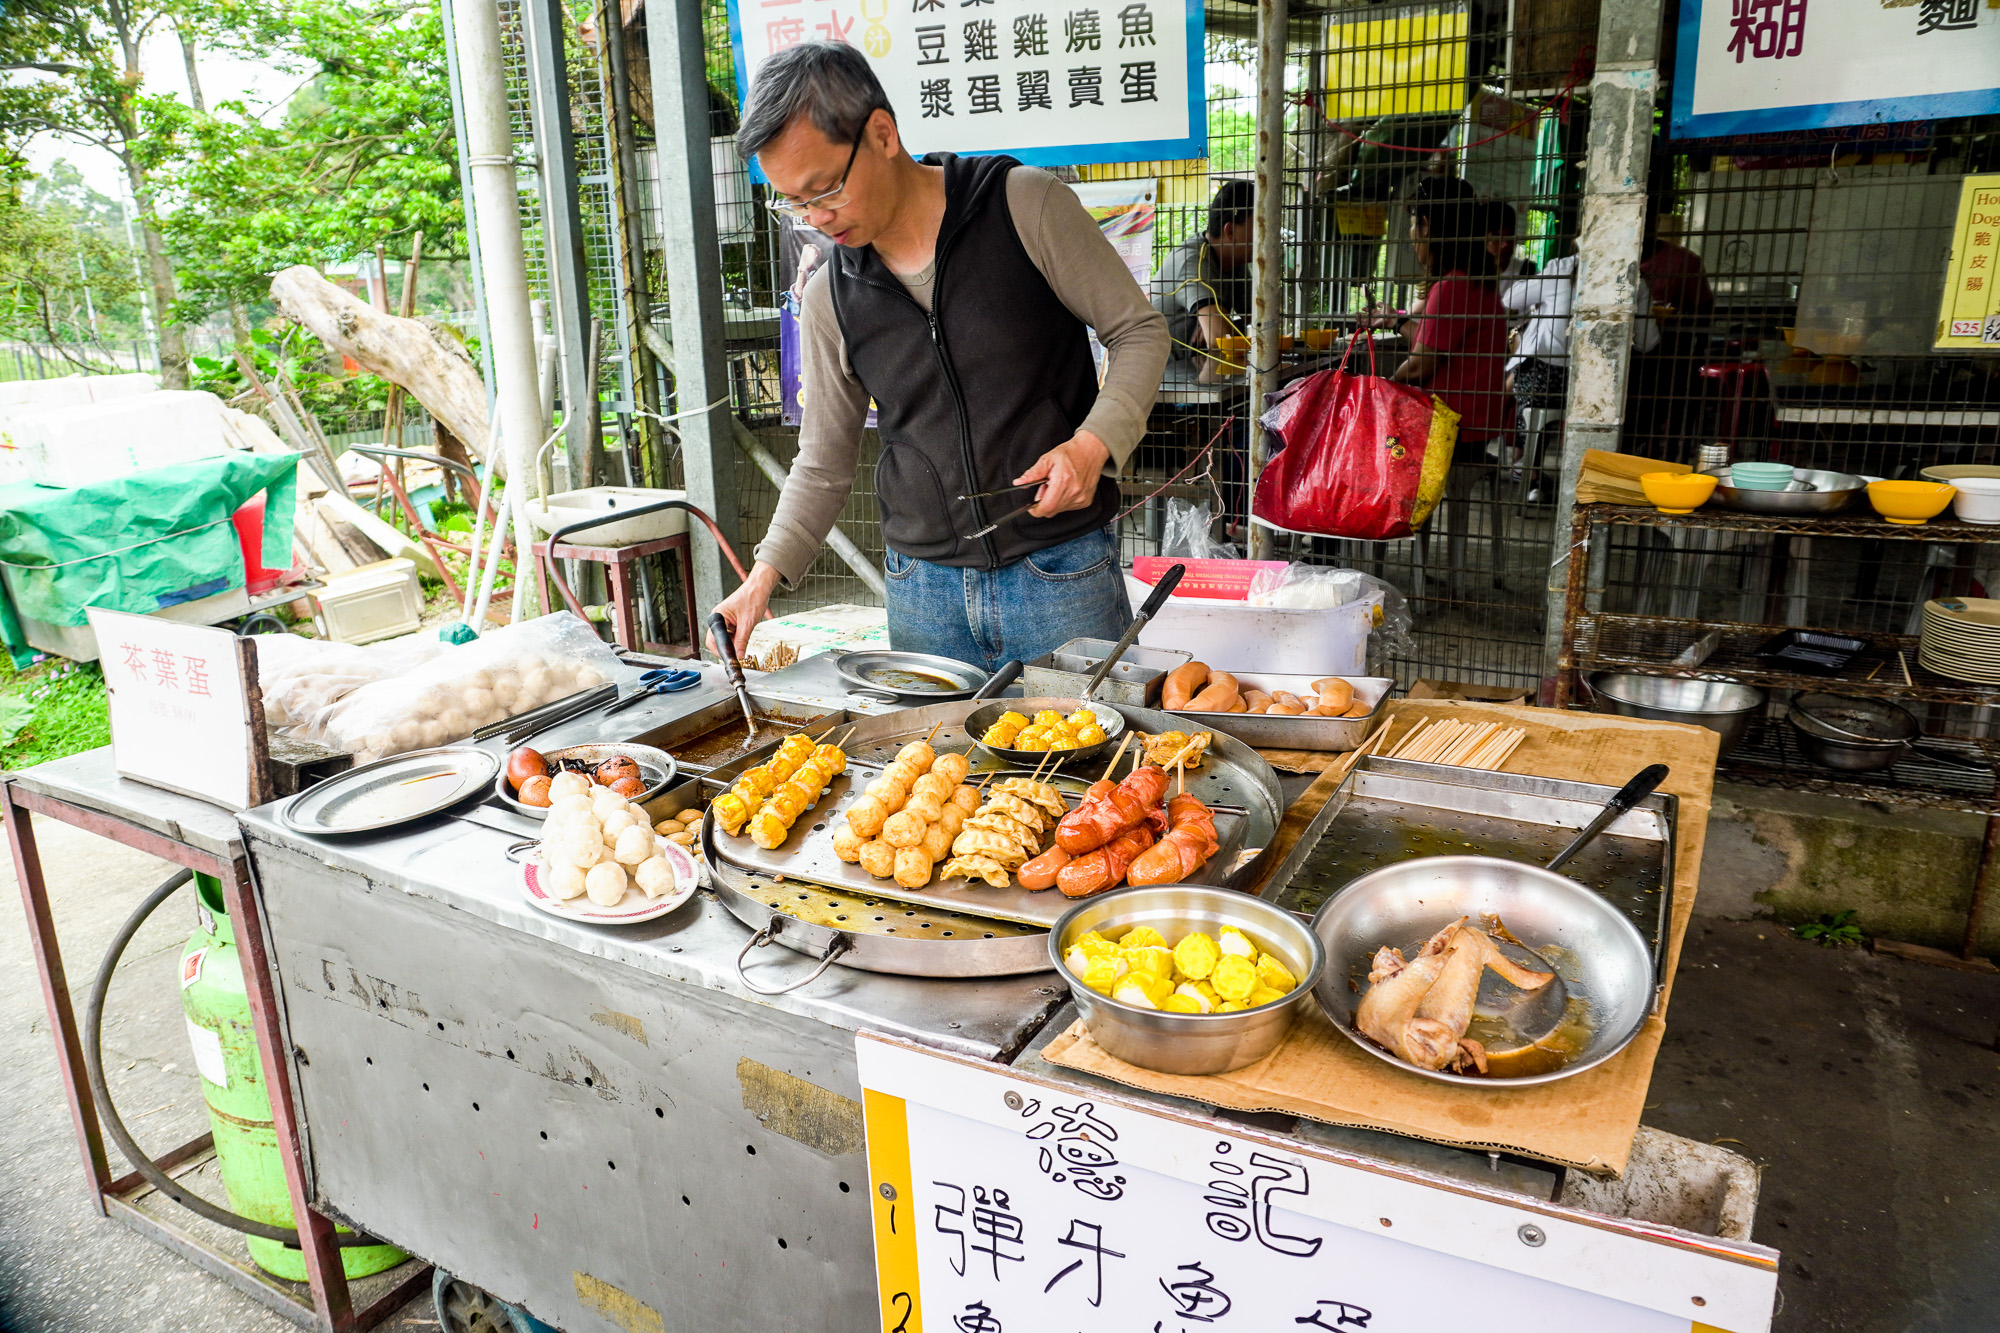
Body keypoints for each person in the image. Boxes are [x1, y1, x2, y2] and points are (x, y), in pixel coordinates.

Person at [711, 43, 1169, 671]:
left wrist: (1093, 445)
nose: (817, 219)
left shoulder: (1021, 206)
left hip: (1060, 571)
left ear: (882, 133)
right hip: (922, 595)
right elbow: (822, 462)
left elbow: (1139, 332)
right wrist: (763, 578)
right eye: (794, 202)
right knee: (937, 769)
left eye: (826, 190)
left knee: (1090, 765)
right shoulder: (829, 299)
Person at [1382, 175, 1511, 449]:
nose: (1411, 233)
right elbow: (1435, 345)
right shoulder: (1477, 282)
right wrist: (1397, 320)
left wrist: (1380, 390)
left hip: (1450, 429)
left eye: (1413, 224)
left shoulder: (1452, 287)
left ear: (1426, 225)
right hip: (1474, 423)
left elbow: (1418, 367)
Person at [1152, 180, 1255, 362]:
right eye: (1259, 227)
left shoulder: (1235, 261)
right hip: (1163, 377)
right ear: (1230, 231)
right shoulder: (1193, 262)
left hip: (1195, 369)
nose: (1269, 235)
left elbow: (1262, 322)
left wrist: (1222, 322)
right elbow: (1219, 339)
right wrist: (1219, 324)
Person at [1483, 199, 1537, 289]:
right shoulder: (1471, 277)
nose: (1505, 244)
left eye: (1510, 236)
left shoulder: (1527, 272)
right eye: (1496, 237)